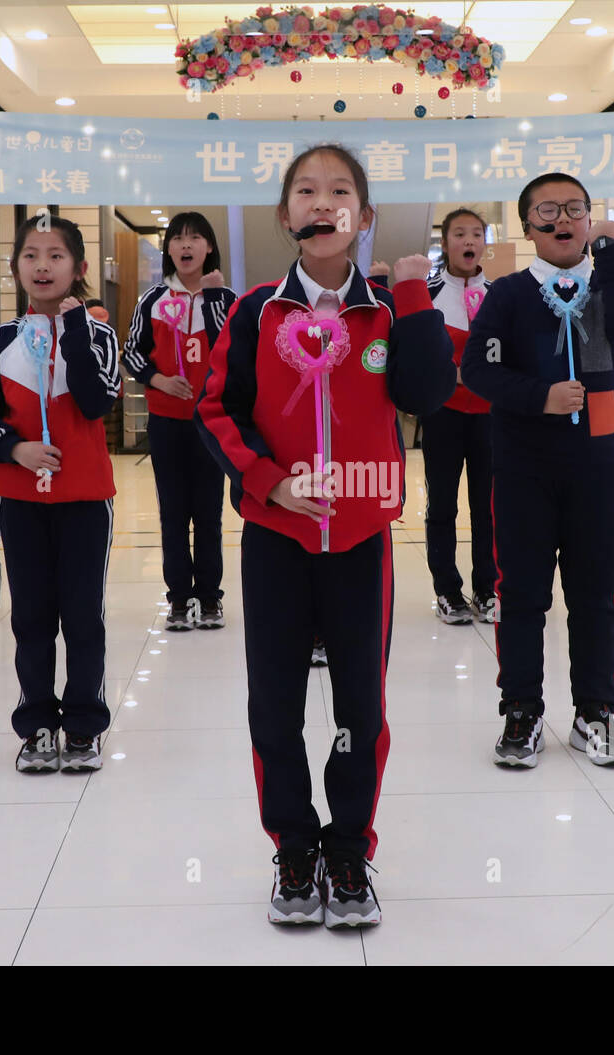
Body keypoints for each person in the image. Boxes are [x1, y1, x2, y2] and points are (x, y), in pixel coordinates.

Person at [196, 144, 454, 928]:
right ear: (286, 216)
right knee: (274, 705)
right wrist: (268, 479)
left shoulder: (385, 310)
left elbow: (427, 392)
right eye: (305, 190)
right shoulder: (253, 311)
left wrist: (412, 296)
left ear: (364, 218)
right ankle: (294, 847)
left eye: (340, 191)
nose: (322, 202)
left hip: (362, 541)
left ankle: (348, 851)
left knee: (358, 709)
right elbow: (216, 409)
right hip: (275, 537)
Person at [461, 174, 614, 768]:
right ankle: (522, 710)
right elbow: (478, 371)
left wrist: (613, 252)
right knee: (521, 594)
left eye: (575, 209)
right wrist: (538, 395)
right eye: (548, 210)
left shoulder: (603, 289)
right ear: (528, 228)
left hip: (597, 464)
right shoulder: (508, 295)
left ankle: (595, 711)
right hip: (523, 467)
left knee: (597, 593)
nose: (563, 220)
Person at [0, 215, 122, 774]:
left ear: (77, 268)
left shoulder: (100, 334)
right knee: (30, 617)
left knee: (83, 616)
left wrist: (75, 330)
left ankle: (82, 725)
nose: (43, 265)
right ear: (16, 268)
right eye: (31, 255)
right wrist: (14, 449)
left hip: (84, 499)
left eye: (56, 256)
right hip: (20, 500)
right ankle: (35, 725)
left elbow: (98, 401)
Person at [122, 213, 237, 631]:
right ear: (168, 248)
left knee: (209, 513)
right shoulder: (151, 300)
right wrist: (157, 379)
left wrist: (212, 299)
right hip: (167, 422)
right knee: (173, 512)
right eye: (178, 238)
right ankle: (178, 599)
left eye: (196, 238)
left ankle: (209, 598)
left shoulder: (225, 299)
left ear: (209, 248)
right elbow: (132, 353)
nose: (186, 245)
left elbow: (233, 352)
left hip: (210, 423)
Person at [422, 208, 495, 624]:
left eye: (475, 234)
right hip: (443, 414)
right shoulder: (429, 293)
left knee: (489, 507)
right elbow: (416, 354)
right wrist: (449, 374)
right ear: (445, 243)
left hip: (490, 416)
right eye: (459, 234)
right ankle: (447, 591)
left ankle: (488, 588)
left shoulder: (500, 293)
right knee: (442, 506)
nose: (468, 241)